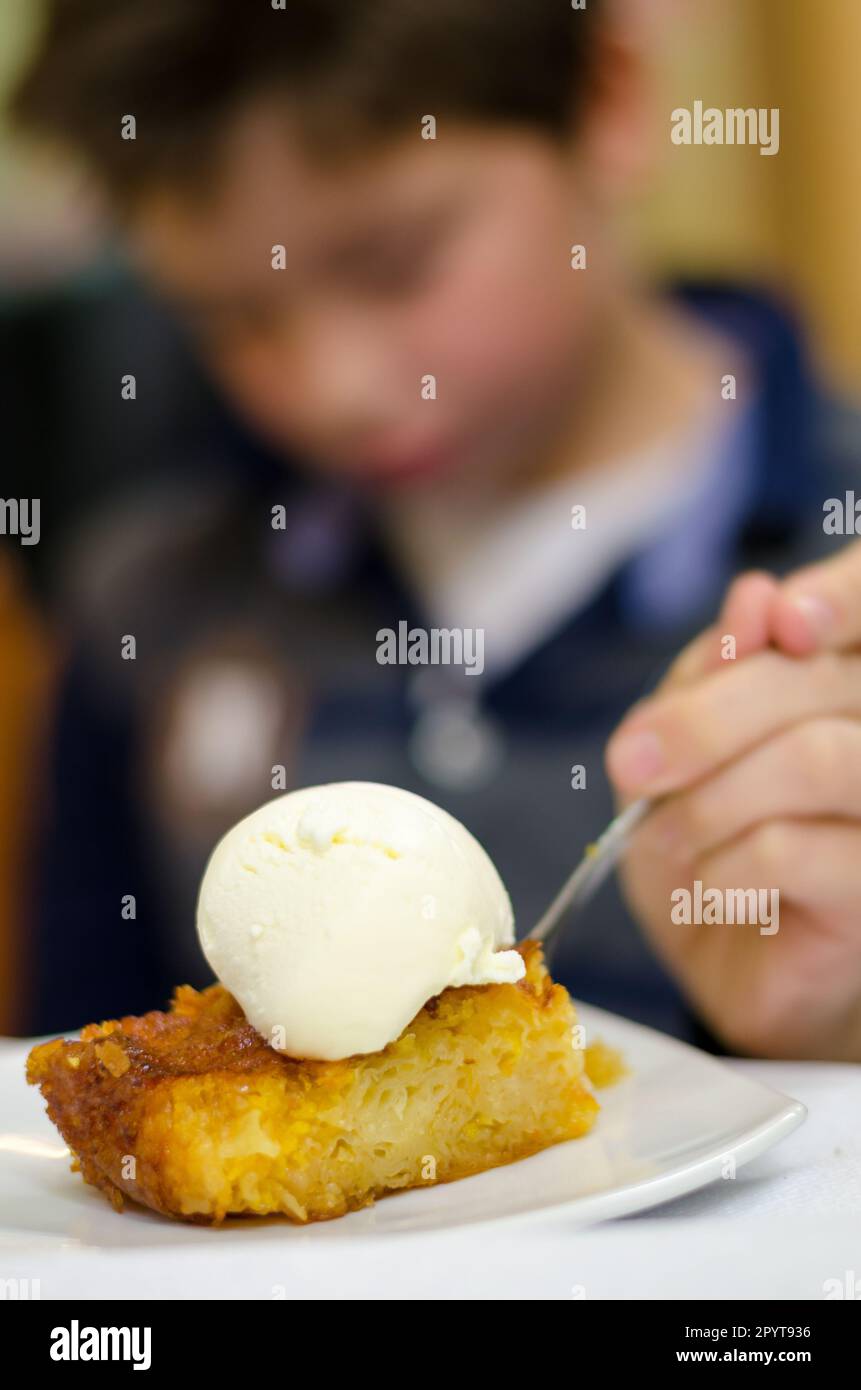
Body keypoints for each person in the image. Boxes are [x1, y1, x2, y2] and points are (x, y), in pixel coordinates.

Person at [7, 0, 861, 1059]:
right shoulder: (151, 606)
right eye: (232, 316)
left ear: (609, 102)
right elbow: (74, 1101)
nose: (337, 388)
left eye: (396, 264)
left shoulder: (836, 568)